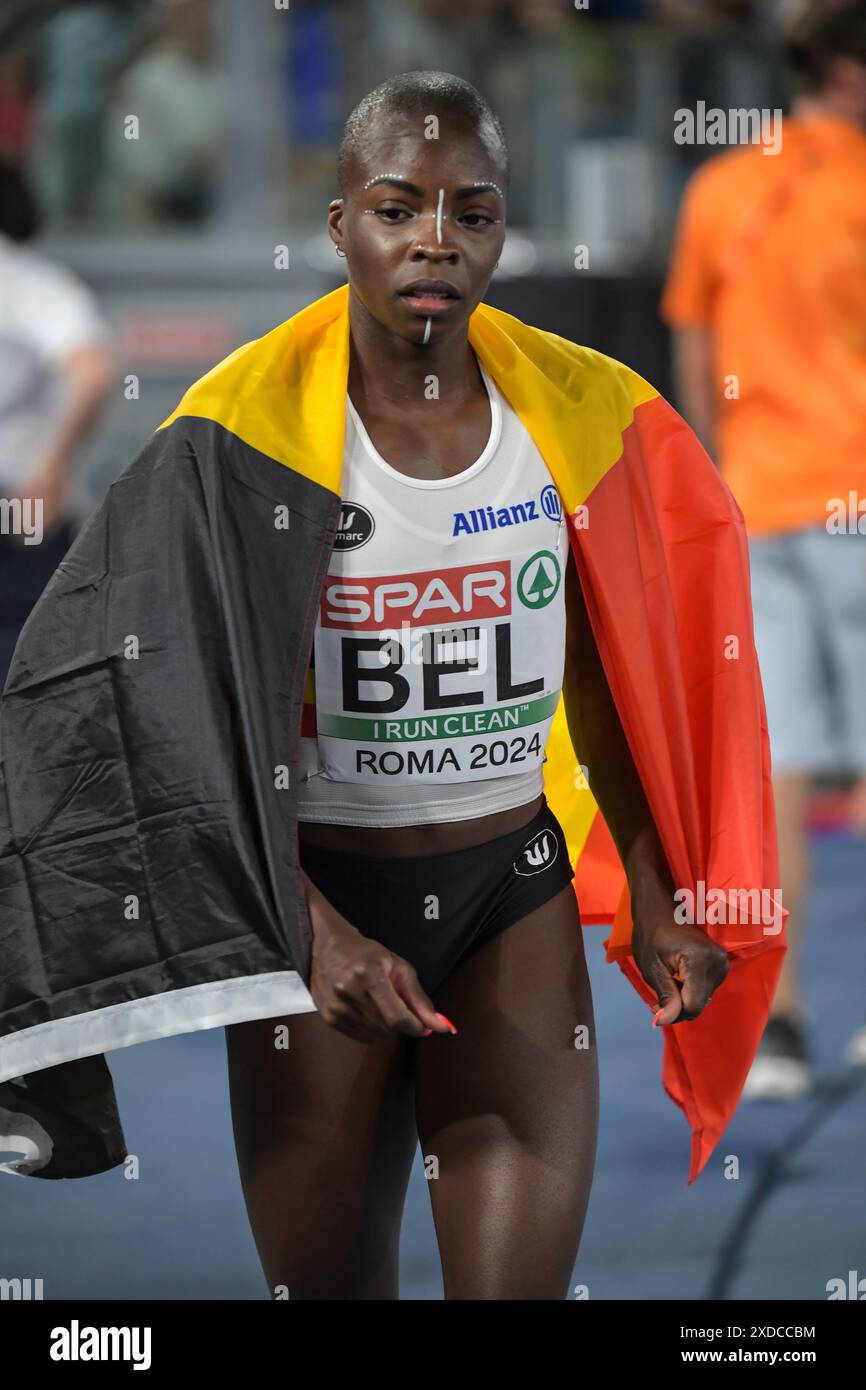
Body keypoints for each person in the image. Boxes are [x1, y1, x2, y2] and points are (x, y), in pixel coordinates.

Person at [0, 72, 783, 1297]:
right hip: (320, 908)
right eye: (396, 206)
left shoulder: (575, 413)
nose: (435, 240)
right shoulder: (234, 435)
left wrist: (651, 886)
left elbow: (603, 669)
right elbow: (154, 715)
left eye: (471, 213)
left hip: (510, 894)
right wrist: (311, 940)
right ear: (338, 226)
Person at [660, 2, 866, 1098]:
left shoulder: (718, 188)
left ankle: (777, 1023)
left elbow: (694, 352)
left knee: (775, 768)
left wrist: (721, 487)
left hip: (756, 504)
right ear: (843, 71)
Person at [0, 156, 114, 686]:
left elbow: (90, 371)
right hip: (24, 499)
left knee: (24, 646)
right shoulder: (29, 277)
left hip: (20, 498)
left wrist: (47, 471)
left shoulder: (21, 280)